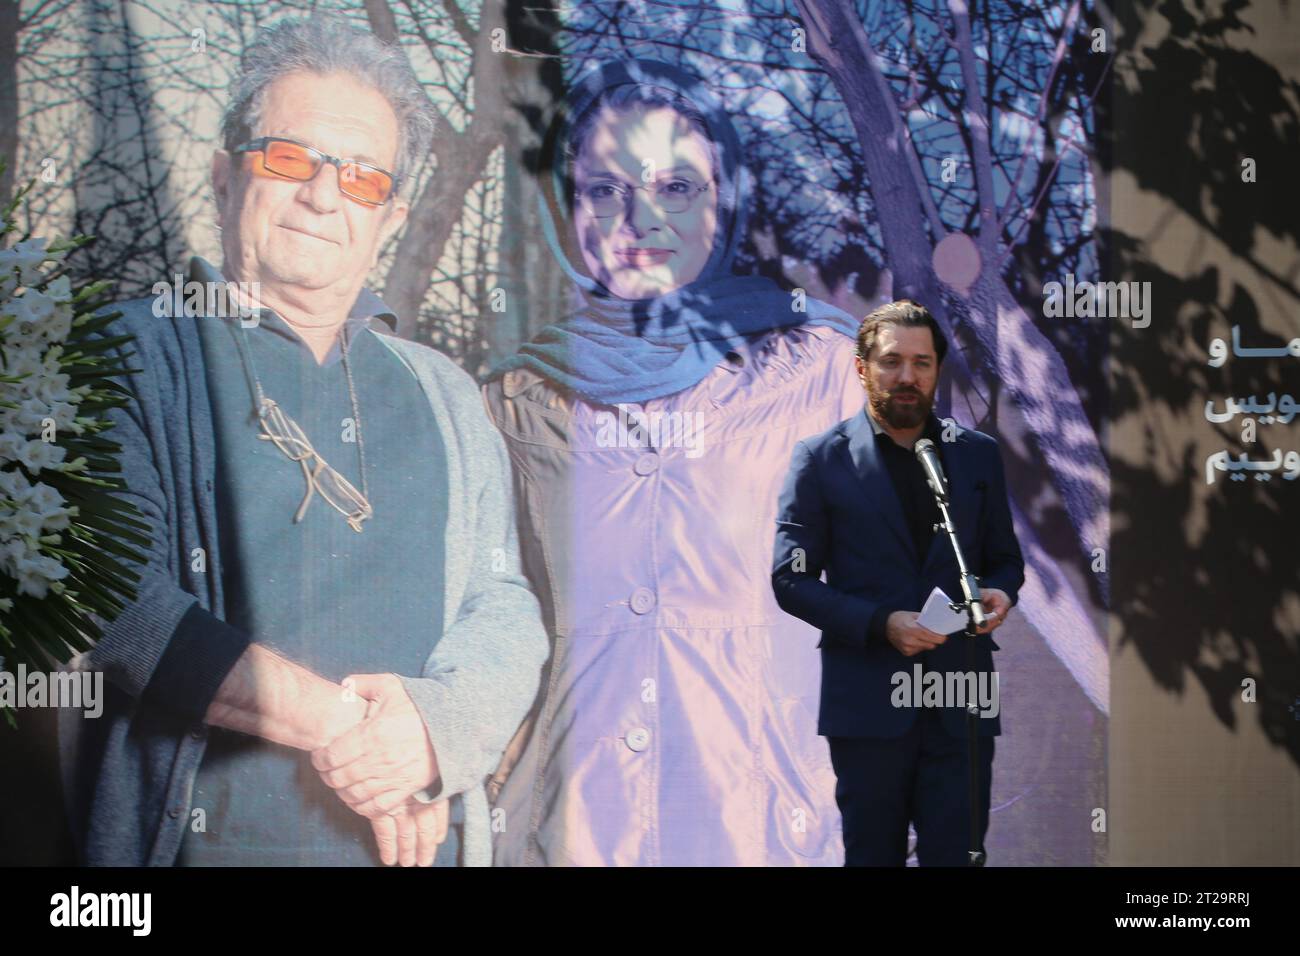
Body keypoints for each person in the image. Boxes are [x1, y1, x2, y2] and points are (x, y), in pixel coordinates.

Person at [57, 14, 548, 868]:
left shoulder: (445, 395)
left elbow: (503, 608)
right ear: (223, 175)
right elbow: (112, 598)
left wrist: (434, 734)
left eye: (362, 179)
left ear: (392, 214)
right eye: (290, 159)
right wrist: (354, 736)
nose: (324, 197)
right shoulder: (122, 354)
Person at [483, 60, 863, 865]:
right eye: (604, 189)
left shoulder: (827, 375)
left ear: (723, 204)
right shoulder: (513, 403)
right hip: (568, 834)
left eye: (676, 187)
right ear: (568, 207)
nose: (639, 215)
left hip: (766, 836)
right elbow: (490, 625)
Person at [771, 299, 1025, 865]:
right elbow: (790, 580)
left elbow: (1006, 561)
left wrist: (1000, 593)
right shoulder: (819, 460)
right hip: (867, 701)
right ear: (862, 368)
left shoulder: (977, 457)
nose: (907, 377)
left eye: (923, 362)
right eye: (891, 362)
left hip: (961, 700)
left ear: (937, 370)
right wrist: (882, 624)